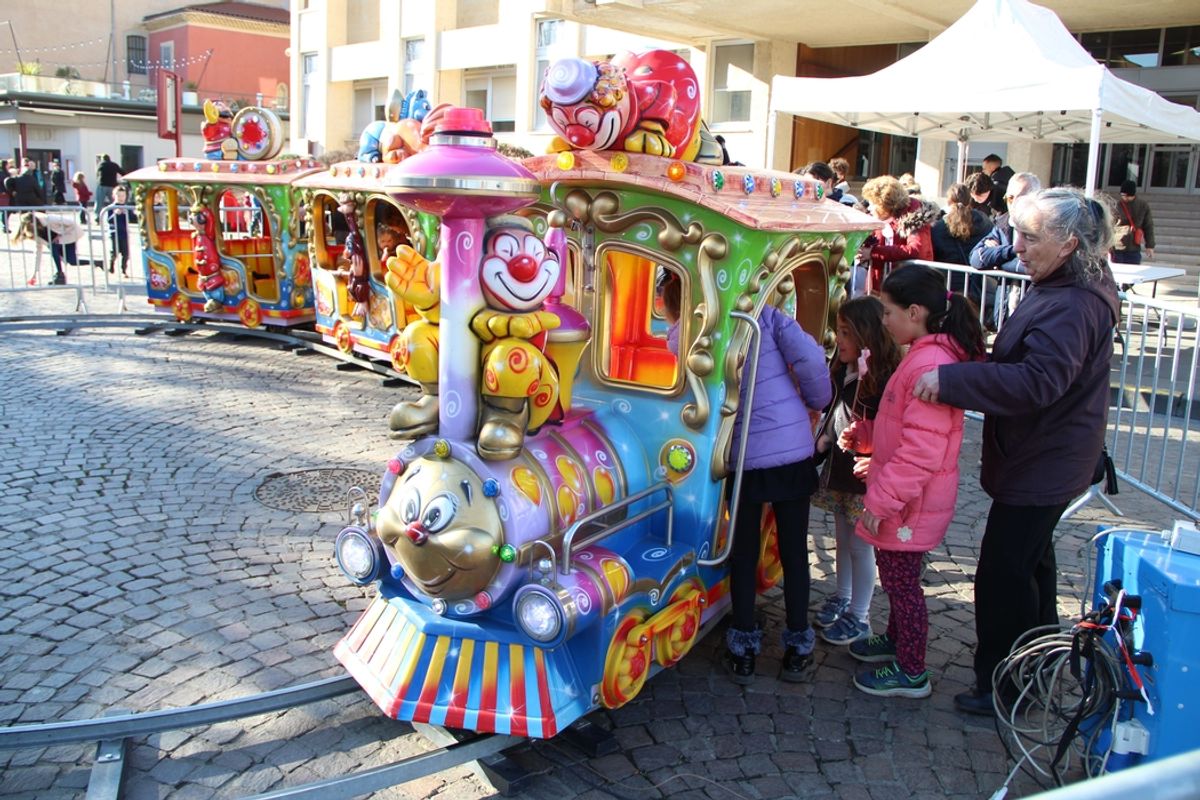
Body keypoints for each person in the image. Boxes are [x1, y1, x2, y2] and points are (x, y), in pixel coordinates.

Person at [912, 187, 1120, 716]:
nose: (1017, 247)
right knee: (1031, 563)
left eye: (1029, 237)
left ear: (1069, 245)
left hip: (1044, 458)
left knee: (1004, 573)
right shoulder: (1067, 284)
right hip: (1047, 453)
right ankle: (1037, 663)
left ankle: (1006, 686)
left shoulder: (1072, 303)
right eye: (1017, 234)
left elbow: (1037, 382)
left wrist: (954, 381)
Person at [841, 264, 985, 698]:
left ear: (915, 312)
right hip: (908, 499)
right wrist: (869, 437)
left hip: (909, 505)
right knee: (896, 579)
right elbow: (906, 427)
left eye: (888, 312)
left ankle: (912, 670)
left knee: (903, 586)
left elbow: (922, 451)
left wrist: (881, 499)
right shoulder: (922, 356)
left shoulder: (930, 362)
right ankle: (896, 640)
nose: (884, 321)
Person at [681, 292, 830, 684]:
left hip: (742, 454)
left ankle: (743, 645)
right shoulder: (771, 318)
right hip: (790, 450)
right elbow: (812, 362)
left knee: (743, 552)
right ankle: (797, 646)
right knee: (795, 552)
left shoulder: (697, 323)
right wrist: (817, 399)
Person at [811, 296, 901, 646]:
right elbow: (834, 409)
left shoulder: (882, 377)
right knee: (844, 540)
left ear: (866, 334)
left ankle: (859, 615)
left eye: (847, 332)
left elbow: (883, 428)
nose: (840, 339)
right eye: (839, 331)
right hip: (840, 469)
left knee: (861, 545)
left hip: (863, 476)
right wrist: (825, 439)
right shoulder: (842, 369)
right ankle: (843, 595)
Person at [970, 172, 1042, 325]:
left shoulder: (1045, 230)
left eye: (1020, 198)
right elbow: (976, 258)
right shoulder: (1003, 225)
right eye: (1009, 198)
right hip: (1004, 312)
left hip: (1033, 314)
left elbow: (1037, 267)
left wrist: (999, 262)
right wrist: (1010, 251)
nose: (1014, 203)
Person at [860, 175, 939, 294]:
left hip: (909, 288)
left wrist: (873, 252)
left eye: (873, 203)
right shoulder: (881, 220)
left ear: (884, 204)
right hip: (882, 287)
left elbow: (916, 250)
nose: (869, 208)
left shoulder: (915, 219)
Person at [931, 182, 993, 312]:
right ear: (969, 200)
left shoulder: (939, 227)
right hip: (976, 284)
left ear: (948, 201)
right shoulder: (985, 222)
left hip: (948, 284)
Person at [1111, 180, 1155, 264]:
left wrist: (1150, 246)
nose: (1125, 198)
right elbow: (1109, 226)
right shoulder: (1116, 206)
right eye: (1123, 195)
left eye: (1127, 196)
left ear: (1133, 194)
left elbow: (1148, 226)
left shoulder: (1142, 206)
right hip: (1117, 247)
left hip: (1134, 248)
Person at [105, 184, 137, 277]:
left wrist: (130, 214)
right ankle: (111, 265)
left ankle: (124, 270)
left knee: (125, 253)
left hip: (124, 233)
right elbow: (109, 220)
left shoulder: (127, 207)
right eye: (118, 195)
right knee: (114, 252)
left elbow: (133, 219)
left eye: (123, 196)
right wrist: (115, 214)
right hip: (114, 233)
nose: (121, 198)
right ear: (114, 196)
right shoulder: (111, 207)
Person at [95, 154, 125, 218]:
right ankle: (117, 215)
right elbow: (122, 172)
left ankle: (97, 216)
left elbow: (97, 174)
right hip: (112, 185)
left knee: (99, 202)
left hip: (102, 185)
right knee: (114, 201)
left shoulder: (101, 164)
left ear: (103, 159)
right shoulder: (114, 165)